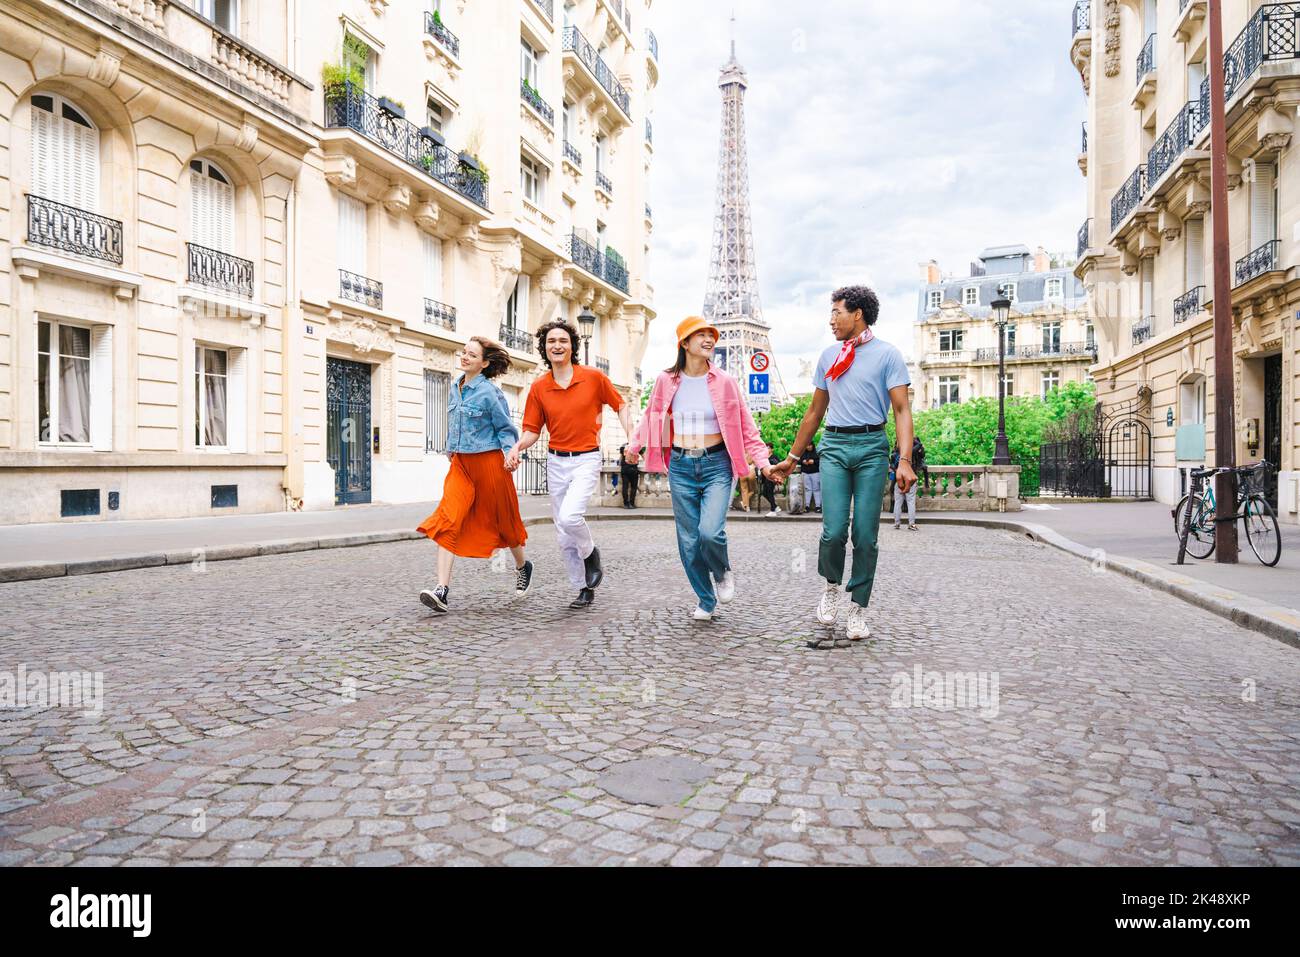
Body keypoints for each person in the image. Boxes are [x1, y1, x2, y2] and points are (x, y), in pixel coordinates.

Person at [770, 285, 915, 641]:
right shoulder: (828, 356)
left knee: (865, 536)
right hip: (833, 445)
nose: (831, 319)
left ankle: (857, 607)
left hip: (871, 447)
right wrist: (791, 457)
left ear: (858, 314)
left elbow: (901, 409)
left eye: (837, 312)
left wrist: (905, 460)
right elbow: (815, 411)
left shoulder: (888, 355)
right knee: (833, 531)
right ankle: (832, 586)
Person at [626, 316, 775, 620]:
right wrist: (634, 446)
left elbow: (747, 428)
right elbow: (651, 417)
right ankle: (705, 598)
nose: (709, 340)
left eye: (712, 335)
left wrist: (763, 463)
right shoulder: (666, 381)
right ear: (684, 343)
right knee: (689, 540)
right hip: (680, 465)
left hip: (717, 464)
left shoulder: (725, 383)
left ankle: (721, 572)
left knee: (709, 532)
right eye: (701, 335)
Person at [506, 320, 633, 609]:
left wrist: (633, 438)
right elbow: (531, 430)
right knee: (563, 534)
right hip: (556, 460)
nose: (557, 346)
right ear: (545, 348)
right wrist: (516, 447)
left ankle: (591, 555)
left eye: (563, 340)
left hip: (586, 458)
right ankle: (583, 588)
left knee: (570, 517)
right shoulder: (539, 387)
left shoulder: (593, 377)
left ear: (572, 345)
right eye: (551, 341)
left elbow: (621, 405)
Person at [416, 337, 532, 613]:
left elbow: (505, 428)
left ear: (485, 362)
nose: (465, 357)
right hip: (461, 465)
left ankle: (522, 565)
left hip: (490, 463)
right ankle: (441, 590)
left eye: (471, 354)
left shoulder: (490, 393)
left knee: (504, 522)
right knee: (448, 518)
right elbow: (453, 422)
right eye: (464, 352)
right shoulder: (455, 387)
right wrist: (450, 448)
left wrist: (510, 453)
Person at [890, 444, 918, 531]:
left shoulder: (894, 455)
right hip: (909, 479)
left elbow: (892, 467)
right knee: (911, 502)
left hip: (898, 481)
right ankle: (911, 524)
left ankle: (897, 523)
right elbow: (919, 446)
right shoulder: (910, 453)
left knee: (898, 503)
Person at [759, 443, 781, 516]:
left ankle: (773, 510)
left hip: (772, 477)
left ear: (772, 449)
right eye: (765, 448)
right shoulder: (764, 457)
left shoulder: (774, 457)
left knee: (769, 492)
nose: (766, 449)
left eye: (768, 448)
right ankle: (775, 506)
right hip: (765, 477)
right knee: (764, 493)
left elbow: (777, 464)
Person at [800, 442, 822, 513]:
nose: (808, 447)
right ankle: (807, 506)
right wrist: (803, 461)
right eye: (807, 445)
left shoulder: (817, 453)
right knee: (807, 489)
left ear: (813, 446)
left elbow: (821, 461)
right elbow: (798, 460)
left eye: (810, 445)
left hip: (815, 472)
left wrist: (814, 461)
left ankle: (818, 506)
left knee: (816, 489)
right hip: (805, 473)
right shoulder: (803, 453)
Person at [619, 443, 641, 508]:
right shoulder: (637, 446)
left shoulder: (623, 446)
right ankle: (631, 503)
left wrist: (620, 464)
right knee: (633, 487)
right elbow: (643, 455)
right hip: (634, 469)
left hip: (625, 469)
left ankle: (626, 504)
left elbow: (620, 458)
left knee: (625, 487)